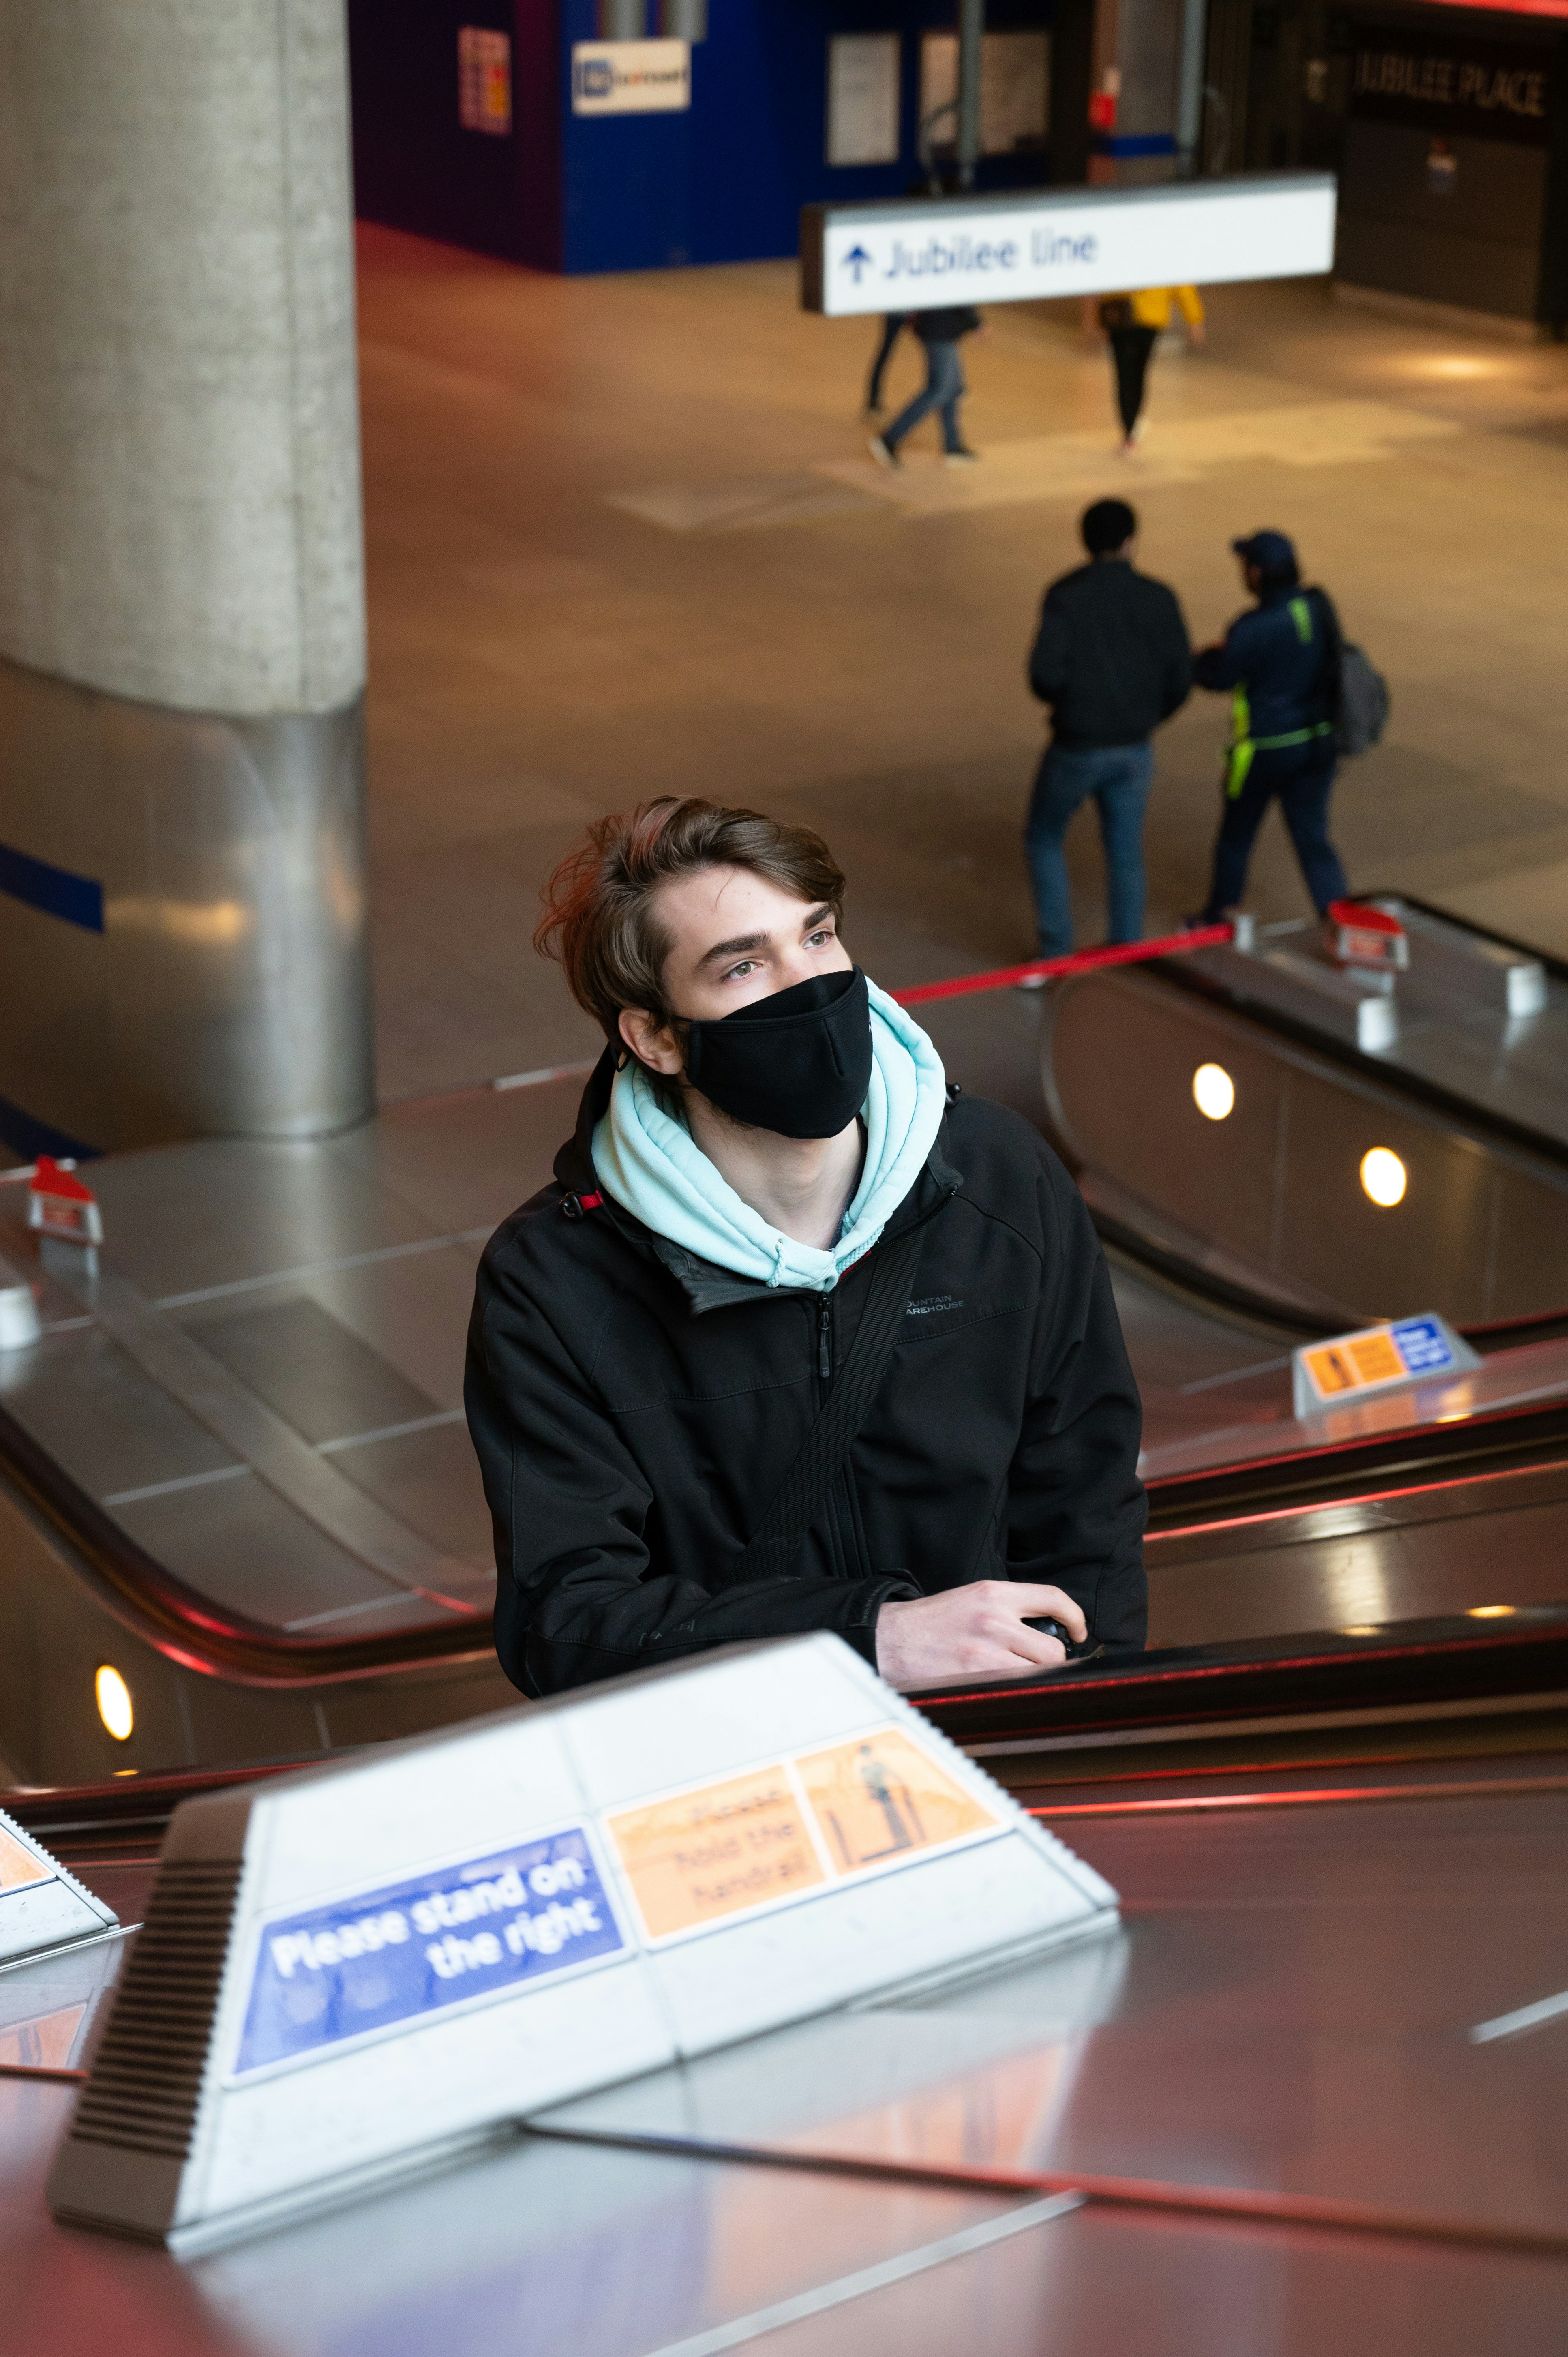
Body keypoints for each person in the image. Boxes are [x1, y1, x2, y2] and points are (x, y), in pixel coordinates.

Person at [467, 797, 1147, 1700]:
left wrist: (1101, 1710)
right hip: (748, 1774)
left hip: (1005, 1724)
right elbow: (566, 1621)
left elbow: (1086, 1494)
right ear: (657, 1038)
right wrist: (868, 1641)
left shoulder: (996, 1176)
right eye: (744, 966)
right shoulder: (554, 1284)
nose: (811, 987)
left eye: (817, 937)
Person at [1023, 499, 1193, 963]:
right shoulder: (1159, 597)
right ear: (1130, 542)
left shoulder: (1065, 595)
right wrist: (1146, 717)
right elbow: (1181, 677)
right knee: (1124, 848)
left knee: (1043, 837)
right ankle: (1127, 953)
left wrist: (1076, 705)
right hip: (1136, 747)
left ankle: (1056, 953)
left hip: (1076, 746)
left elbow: (1042, 675)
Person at [1193, 529, 1347, 923]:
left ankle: (1219, 918)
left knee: (1236, 838)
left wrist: (1197, 661)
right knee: (1314, 841)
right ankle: (1342, 922)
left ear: (1257, 574)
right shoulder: (1315, 605)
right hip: (1316, 743)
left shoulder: (1251, 626)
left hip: (1264, 749)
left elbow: (1219, 678)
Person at [869, 306, 985, 469]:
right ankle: (889, 439)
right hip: (939, 328)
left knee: (952, 388)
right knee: (940, 390)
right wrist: (976, 323)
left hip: (939, 327)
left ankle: (952, 447)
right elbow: (958, 294)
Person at [1101, 286, 1204, 453]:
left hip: (1139, 314)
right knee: (1132, 373)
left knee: (1130, 373)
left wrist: (1194, 319)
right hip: (1132, 313)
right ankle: (1131, 427)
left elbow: (1181, 283)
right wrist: (1194, 319)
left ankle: (1130, 427)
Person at [865, 313, 911, 416]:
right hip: (898, 314)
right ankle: (874, 398)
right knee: (885, 353)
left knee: (885, 354)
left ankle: (874, 398)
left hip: (913, 315)